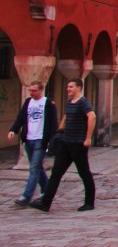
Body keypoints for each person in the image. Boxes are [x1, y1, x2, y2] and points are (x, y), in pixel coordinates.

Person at [31, 78, 95, 212]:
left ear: (78, 88)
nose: (68, 89)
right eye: (67, 86)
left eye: (71, 87)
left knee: (84, 173)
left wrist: (88, 138)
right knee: (56, 173)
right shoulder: (70, 102)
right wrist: (60, 130)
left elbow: (92, 116)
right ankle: (45, 203)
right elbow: (66, 116)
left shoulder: (83, 102)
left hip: (78, 144)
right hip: (65, 142)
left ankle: (89, 202)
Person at [7, 80, 58, 207]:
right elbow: (21, 118)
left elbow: (53, 124)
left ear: (41, 90)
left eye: (34, 90)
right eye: (30, 90)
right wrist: (13, 130)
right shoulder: (28, 102)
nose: (32, 93)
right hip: (29, 139)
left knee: (34, 168)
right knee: (38, 167)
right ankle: (46, 191)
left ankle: (26, 196)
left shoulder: (48, 103)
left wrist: (51, 141)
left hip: (41, 140)